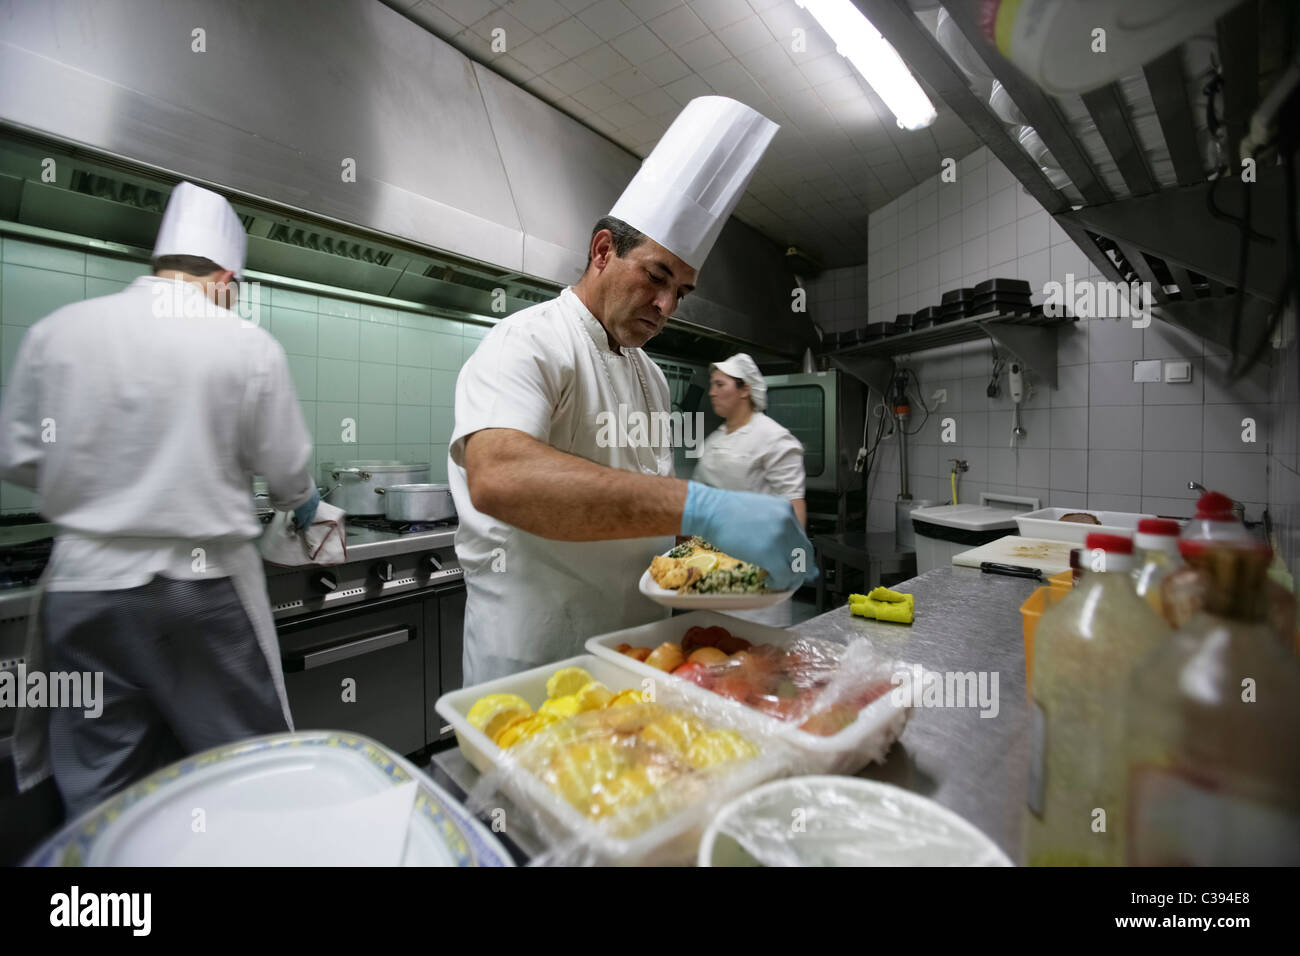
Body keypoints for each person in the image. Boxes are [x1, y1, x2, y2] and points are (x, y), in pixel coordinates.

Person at [449, 97, 815, 684]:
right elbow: (498, 477)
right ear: (601, 251)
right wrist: (703, 505)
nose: (667, 306)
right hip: (538, 661)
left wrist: (725, 557)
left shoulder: (648, 374)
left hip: (640, 653)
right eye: (656, 275)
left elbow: (644, 502)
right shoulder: (526, 342)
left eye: (683, 292)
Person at [0, 181, 320, 816]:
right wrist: (305, 506)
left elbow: (18, 457)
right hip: (199, 595)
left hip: (83, 588)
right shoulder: (246, 344)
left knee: (100, 782)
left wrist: (99, 494)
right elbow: (287, 476)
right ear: (227, 275)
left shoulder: (59, 332)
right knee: (243, 773)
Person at [694, 353, 807, 527]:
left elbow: (794, 507)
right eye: (712, 385)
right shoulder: (714, 440)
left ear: (745, 390)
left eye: (719, 385)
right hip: (714, 546)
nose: (711, 393)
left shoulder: (775, 438)